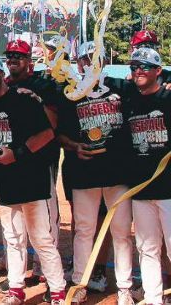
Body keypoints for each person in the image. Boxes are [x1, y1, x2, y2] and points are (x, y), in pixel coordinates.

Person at [0, 55, 67, 305]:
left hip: (31, 179)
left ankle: (57, 290)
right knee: (13, 238)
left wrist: (17, 154)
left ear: (0, 73)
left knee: (41, 238)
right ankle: (16, 288)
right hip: (4, 180)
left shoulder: (23, 99)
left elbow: (48, 133)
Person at [57, 42, 134, 304]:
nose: (88, 63)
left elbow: (153, 89)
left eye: (93, 58)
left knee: (122, 232)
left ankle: (124, 288)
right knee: (84, 230)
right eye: (83, 59)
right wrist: (73, 145)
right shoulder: (73, 93)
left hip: (118, 172)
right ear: (77, 63)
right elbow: (61, 132)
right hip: (85, 172)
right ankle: (79, 283)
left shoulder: (120, 86)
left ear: (102, 61)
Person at [0, 39, 62, 295]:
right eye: (9, 55)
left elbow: (53, 125)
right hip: (11, 169)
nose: (12, 59)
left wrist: (37, 100)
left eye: (18, 56)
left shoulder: (43, 84)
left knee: (44, 228)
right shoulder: (4, 86)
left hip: (41, 163)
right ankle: (17, 281)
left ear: (29, 61)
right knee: (14, 232)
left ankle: (49, 275)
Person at [121, 47, 171, 305]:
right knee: (147, 248)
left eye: (144, 66)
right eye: (134, 67)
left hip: (169, 190)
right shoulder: (130, 101)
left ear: (158, 71)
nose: (138, 71)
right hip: (140, 189)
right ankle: (153, 298)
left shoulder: (168, 98)